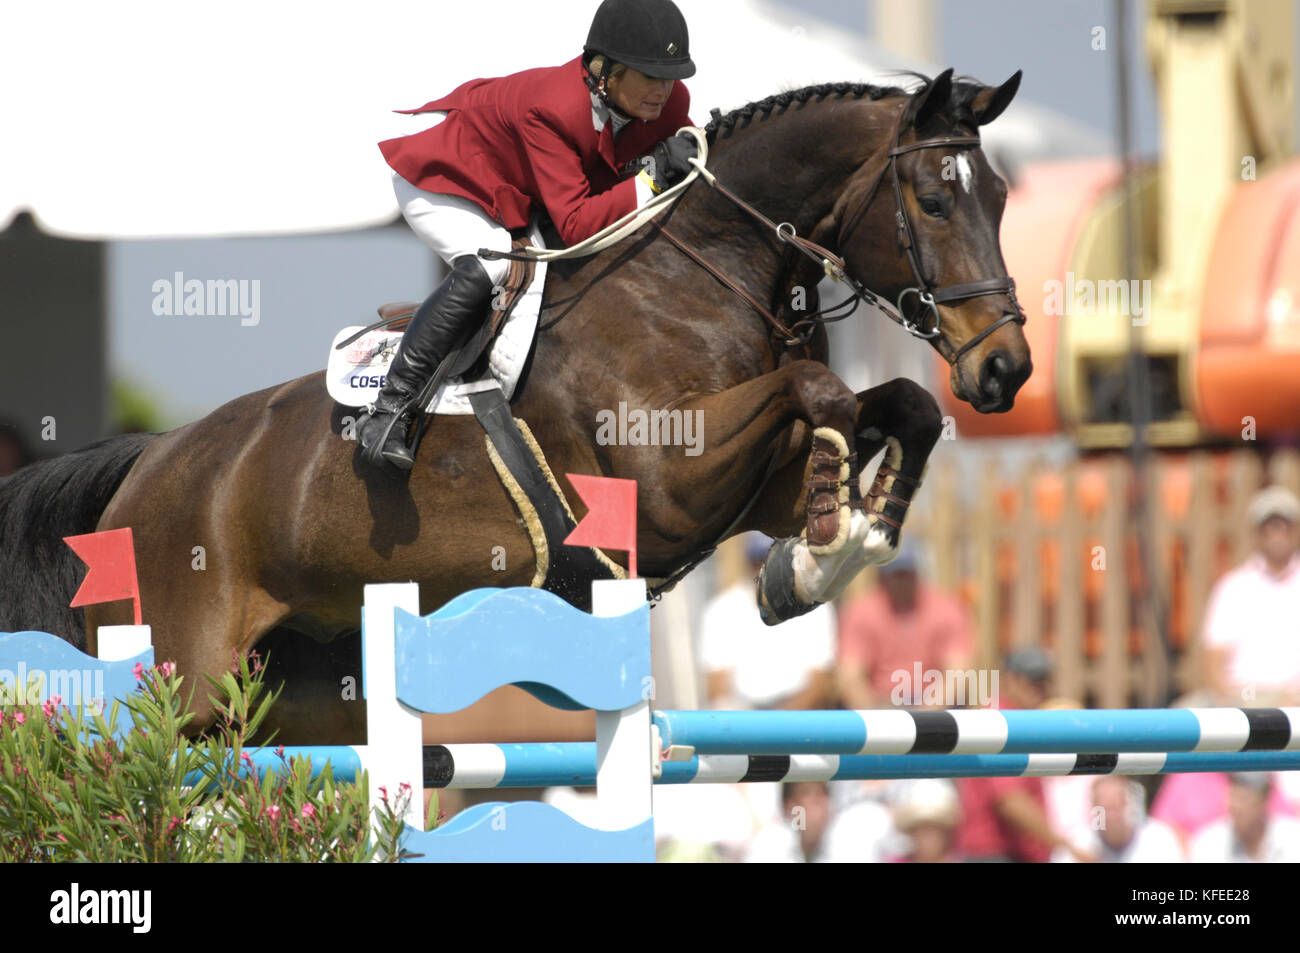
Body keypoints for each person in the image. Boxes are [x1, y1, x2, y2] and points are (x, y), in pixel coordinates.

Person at [363, 0, 699, 470]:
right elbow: (578, 224)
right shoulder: (553, 108)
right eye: (650, 75)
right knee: (496, 266)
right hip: (450, 183)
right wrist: (647, 180)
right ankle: (388, 411)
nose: (664, 90)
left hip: (527, 195)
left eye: (671, 75)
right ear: (604, 71)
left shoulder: (670, 103)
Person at [954, 648, 1096, 862]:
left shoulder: (1016, 721)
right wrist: (1067, 848)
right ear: (1010, 680)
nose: (1043, 689)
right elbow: (1010, 801)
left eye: (1045, 680)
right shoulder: (1000, 723)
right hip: (995, 853)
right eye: (1033, 680)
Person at [698, 533, 836, 710]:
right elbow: (716, 689)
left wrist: (775, 728)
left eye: (773, 561)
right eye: (758, 561)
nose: (765, 569)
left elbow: (820, 685)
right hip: (742, 721)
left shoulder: (816, 609)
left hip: (798, 722)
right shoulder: (722, 610)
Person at [836, 540, 976, 710]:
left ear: (917, 573)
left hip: (935, 707)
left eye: (906, 574)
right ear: (882, 576)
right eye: (895, 574)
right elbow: (850, 676)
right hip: (880, 705)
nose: (901, 582)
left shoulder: (947, 610)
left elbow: (957, 673)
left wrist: (925, 718)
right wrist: (876, 720)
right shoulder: (861, 613)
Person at [1201, 485, 1300, 706]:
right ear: (1258, 533)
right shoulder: (1234, 586)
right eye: (1269, 527)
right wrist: (1231, 698)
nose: (1277, 534)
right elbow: (1213, 661)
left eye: (1283, 526)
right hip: (1245, 697)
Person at [1053, 776, 1184, 863]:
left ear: (1130, 804)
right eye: (1104, 808)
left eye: (1116, 806)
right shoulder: (1076, 844)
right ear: (1092, 808)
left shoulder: (1160, 839)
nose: (1111, 815)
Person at [1190, 773, 1300, 862]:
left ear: (1263, 801)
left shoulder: (1293, 835)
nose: (1235, 806)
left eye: (1243, 798)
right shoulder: (1210, 841)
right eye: (1233, 796)